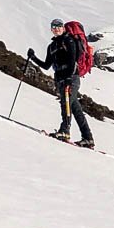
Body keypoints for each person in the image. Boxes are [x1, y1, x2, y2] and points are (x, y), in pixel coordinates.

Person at [27, 19, 95, 148]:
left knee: (66, 102)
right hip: (61, 79)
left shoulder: (69, 40)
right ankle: (88, 138)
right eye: (54, 27)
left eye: (59, 26)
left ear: (63, 28)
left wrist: (69, 77)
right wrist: (33, 57)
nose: (56, 29)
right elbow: (46, 65)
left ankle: (65, 130)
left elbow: (72, 59)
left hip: (71, 78)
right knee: (74, 107)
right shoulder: (52, 46)